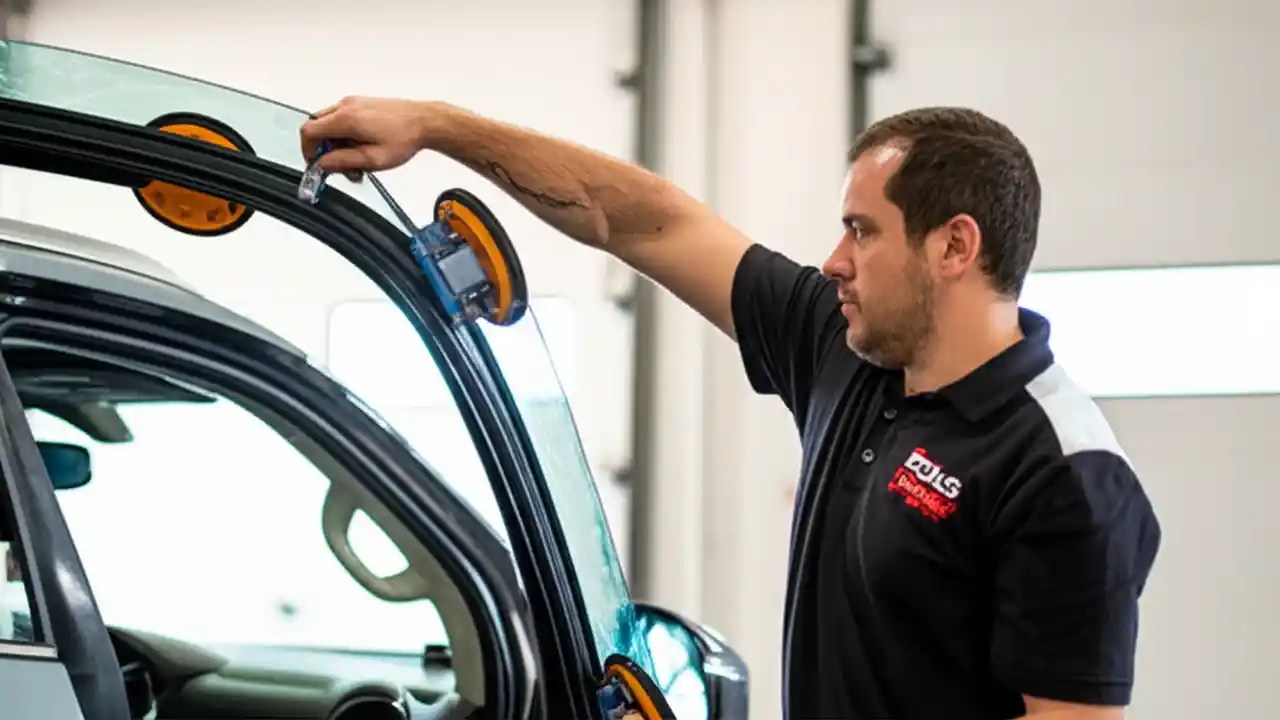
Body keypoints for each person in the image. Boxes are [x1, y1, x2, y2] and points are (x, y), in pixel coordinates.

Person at [300, 98, 1161, 719]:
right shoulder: (847, 353)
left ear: (954, 245)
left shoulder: (1066, 476)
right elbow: (640, 222)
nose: (833, 260)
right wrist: (440, 130)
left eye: (862, 231)